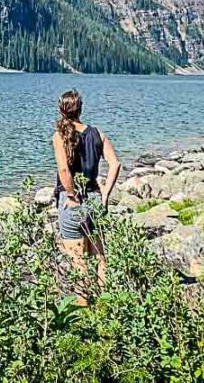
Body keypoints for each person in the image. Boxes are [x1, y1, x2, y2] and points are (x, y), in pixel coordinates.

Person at [51, 89, 122, 303]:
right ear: (80, 109)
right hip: (93, 199)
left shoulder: (60, 135)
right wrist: (105, 195)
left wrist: (71, 196)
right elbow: (115, 164)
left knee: (78, 262)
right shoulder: (97, 133)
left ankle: (84, 310)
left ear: (62, 110)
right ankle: (105, 305)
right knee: (100, 257)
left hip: (73, 203)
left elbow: (64, 171)